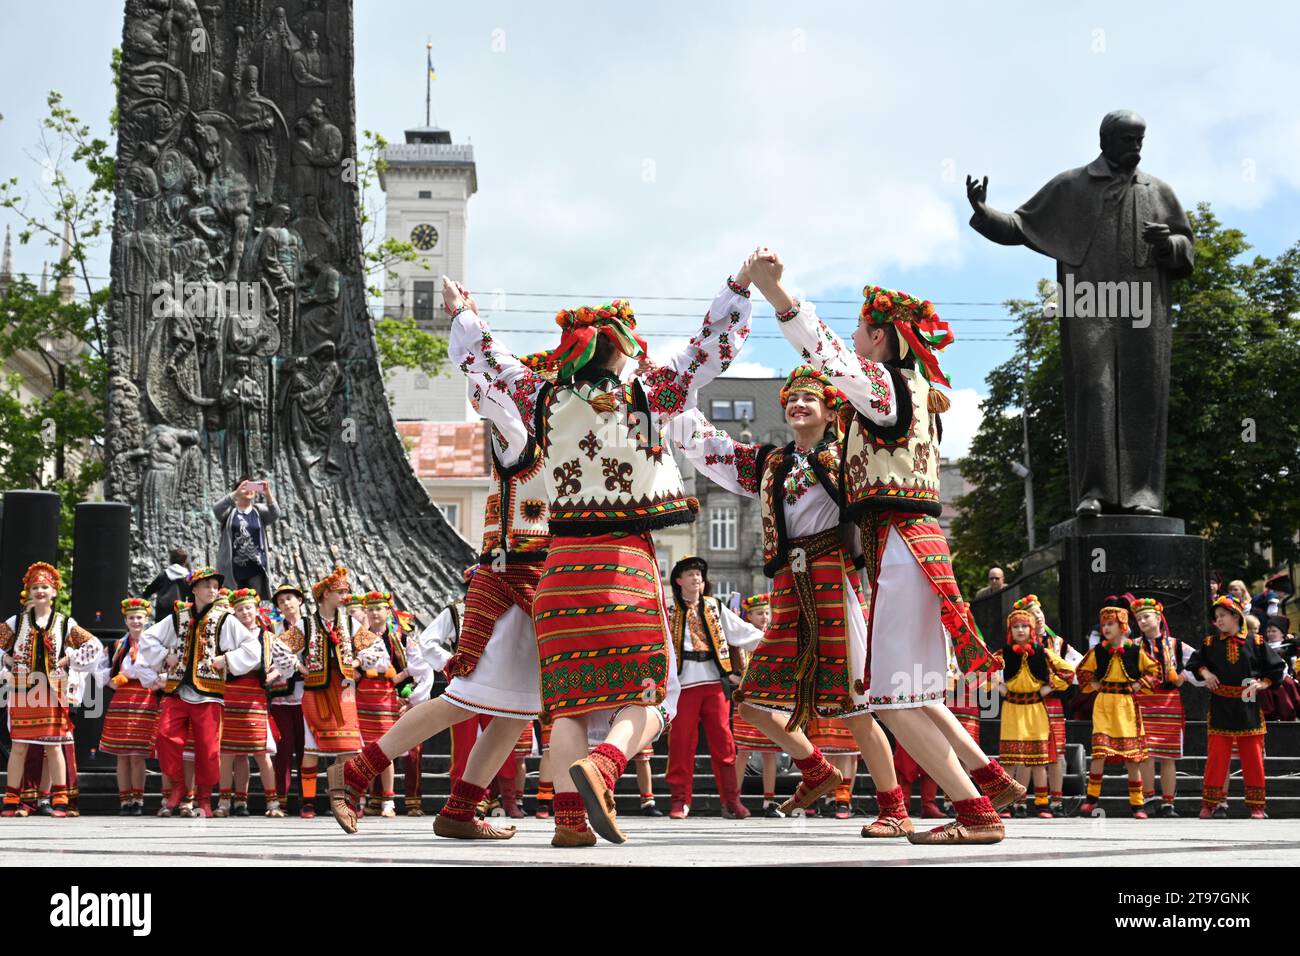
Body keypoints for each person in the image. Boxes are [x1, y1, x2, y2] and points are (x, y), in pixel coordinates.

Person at [430, 263, 754, 847]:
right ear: (624, 350)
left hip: (556, 577)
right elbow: (709, 349)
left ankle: (570, 824)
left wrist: (462, 311)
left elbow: (488, 360)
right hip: (622, 569)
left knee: (570, 706)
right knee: (648, 695)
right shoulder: (650, 393)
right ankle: (607, 765)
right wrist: (739, 286)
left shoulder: (539, 397)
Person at [758, 257, 1019, 843]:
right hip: (908, 547)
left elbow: (825, 351)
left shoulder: (886, 386)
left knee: (894, 696)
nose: (852, 339)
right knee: (913, 689)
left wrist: (776, 291)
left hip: (901, 547)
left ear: (879, 337)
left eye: (860, 330)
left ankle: (977, 812)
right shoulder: (915, 392)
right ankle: (988, 781)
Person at [675, 362, 911, 839]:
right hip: (787, 586)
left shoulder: (848, 457)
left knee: (856, 706)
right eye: (791, 400)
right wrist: (677, 396)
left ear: (830, 411)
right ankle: (817, 767)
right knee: (753, 702)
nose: (798, 405)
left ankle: (894, 808)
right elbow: (710, 448)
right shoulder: (771, 464)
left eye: (810, 400)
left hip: (832, 578)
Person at [137, 565, 259, 817]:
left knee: (208, 749)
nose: (212, 591)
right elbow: (148, 639)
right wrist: (165, 655)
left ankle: (204, 799)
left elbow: (251, 647)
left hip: (208, 693)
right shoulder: (178, 616)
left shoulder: (225, 619)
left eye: (215, 587)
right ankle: (179, 788)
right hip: (177, 689)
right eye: (207, 586)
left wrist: (227, 660)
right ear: (194, 589)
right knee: (165, 736)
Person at [0, 563, 104, 818]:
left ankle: (60, 799)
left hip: (52, 692)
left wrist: (68, 659)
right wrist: (6, 660)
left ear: (54, 591)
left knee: (53, 746)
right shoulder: (17, 621)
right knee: (19, 746)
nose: (40, 591)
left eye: (45, 587)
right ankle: (12, 799)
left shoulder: (64, 622)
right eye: (35, 587)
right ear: (29, 591)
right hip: (23, 690)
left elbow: (94, 645)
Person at [665, 555, 763, 819]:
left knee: (724, 743)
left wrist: (775, 642)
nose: (696, 578)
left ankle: (731, 801)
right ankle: (679, 800)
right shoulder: (669, 609)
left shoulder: (715, 607)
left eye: (699, 574)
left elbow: (744, 633)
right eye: (690, 574)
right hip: (683, 686)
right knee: (681, 744)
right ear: (678, 580)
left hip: (713, 684)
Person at [1187, 594, 1287, 819]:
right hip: (1221, 704)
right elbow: (1195, 663)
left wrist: (1262, 683)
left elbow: (1276, 669)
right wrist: (1206, 672)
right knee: (1217, 757)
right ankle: (1210, 804)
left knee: (1252, 757)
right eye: (1216, 617)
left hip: (1247, 703)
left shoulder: (1256, 642)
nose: (1219, 621)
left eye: (1223, 616)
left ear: (1236, 616)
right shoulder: (1210, 643)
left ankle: (1257, 806)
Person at [1075, 606, 1160, 818]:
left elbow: (1155, 669)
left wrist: (1141, 683)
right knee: (1099, 753)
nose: (1106, 628)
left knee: (1132, 758)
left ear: (1123, 626)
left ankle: (1137, 805)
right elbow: (1082, 670)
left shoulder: (1135, 650)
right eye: (1103, 624)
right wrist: (1093, 683)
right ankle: (1091, 800)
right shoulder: (1098, 651)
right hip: (1104, 704)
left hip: (1126, 705)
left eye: (1110, 623)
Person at [293, 566, 364, 818]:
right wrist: (298, 666)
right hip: (315, 690)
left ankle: (344, 798)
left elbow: (375, 648)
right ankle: (308, 802)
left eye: (346, 591)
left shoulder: (349, 622)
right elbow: (279, 649)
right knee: (311, 748)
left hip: (343, 690)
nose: (344, 596)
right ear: (325, 595)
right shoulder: (306, 623)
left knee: (349, 746)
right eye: (340, 591)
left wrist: (355, 663)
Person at [995, 609, 1074, 818]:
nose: (1020, 630)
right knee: (1009, 759)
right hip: (1012, 708)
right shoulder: (1003, 653)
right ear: (1010, 630)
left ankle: (1042, 803)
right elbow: (982, 671)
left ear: (1031, 629)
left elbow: (1068, 671)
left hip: (1036, 708)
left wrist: (1048, 688)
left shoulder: (1043, 651)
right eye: (1016, 626)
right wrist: (999, 687)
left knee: (1037, 759)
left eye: (1024, 626)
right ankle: (1007, 804)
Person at [215, 588, 282, 817]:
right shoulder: (226, 635)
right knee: (229, 751)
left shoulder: (267, 636)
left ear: (256, 609)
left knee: (260, 750)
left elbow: (284, 663)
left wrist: (270, 677)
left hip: (254, 694)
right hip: (230, 693)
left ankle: (272, 803)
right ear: (233, 612)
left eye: (248, 608)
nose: (245, 612)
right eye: (240, 609)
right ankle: (226, 802)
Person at [1012, 594, 1079, 815]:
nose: (1037, 617)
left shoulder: (1058, 643)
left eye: (1038, 612)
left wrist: (1052, 684)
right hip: (1027, 705)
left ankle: (1056, 802)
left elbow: (1077, 668)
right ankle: (1021, 802)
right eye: (1032, 615)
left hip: (1052, 704)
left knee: (1057, 753)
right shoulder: (1018, 645)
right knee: (1025, 754)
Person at [100, 597, 163, 814]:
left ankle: (138, 799)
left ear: (146, 620)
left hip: (145, 698)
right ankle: (124, 800)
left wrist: (156, 683)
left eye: (139, 617)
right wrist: (113, 682)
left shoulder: (154, 645)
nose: (135, 621)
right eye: (131, 618)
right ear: (125, 621)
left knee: (137, 754)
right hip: (122, 698)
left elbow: (162, 670)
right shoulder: (118, 645)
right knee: (122, 754)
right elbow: (103, 670)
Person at [1131, 597, 1187, 816]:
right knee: (1146, 754)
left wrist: (1181, 677)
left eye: (1146, 617)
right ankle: (1148, 798)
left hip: (1169, 702)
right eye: (1139, 619)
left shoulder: (1175, 644)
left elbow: (1194, 666)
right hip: (1143, 702)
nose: (1143, 622)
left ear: (1158, 618)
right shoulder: (1133, 645)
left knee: (1168, 756)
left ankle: (1168, 803)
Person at [353, 590, 405, 817]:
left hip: (386, 695)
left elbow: (413, 666)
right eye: (371, 609)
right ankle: (360, 800)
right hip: (364, 694)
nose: (375, 613)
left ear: (387, 612)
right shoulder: (359, 636)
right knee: (362, 749)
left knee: (386, 749)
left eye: (379, 609)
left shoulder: (397, 637)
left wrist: (400, 681)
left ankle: (388, 801)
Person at [732, 593, 784, 817]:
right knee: (743, 750)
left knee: (770, 752)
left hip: (769, 700)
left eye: (766, 613)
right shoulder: (740, 641)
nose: (764, 617)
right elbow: (731, 671)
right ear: (749, 616)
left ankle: (769, 802)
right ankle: (733, 799)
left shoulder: (773, 637)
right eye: (759, 613)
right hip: (746, 698)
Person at [266, 583, 309, 814]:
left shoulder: (310, 625)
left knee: (306, 750)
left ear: (299, 600)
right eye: (281, 602)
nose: (286, 604)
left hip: (306, 694)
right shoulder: (274, 629)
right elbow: (270, 659)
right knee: (282, 750)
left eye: (290, 598)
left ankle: (307, 799)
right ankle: (280, 800)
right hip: (282, 696)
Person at [213, 478, 280, 598]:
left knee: (253, 604)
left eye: (252, 487)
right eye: (245, 487)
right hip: (232, 569)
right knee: (233, 603)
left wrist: (267, 493)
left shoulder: (258, 511)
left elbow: (275, 513)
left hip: (256, 568)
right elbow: (216, 509)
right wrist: (235, 494)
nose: (249, 490)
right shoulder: (229, 512)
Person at [1259, 615, 1300, 721]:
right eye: (1268, 631)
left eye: (1274, 631)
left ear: (1282, 633)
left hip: (1286, 676)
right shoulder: (1263, 645)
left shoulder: (1289, 646)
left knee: (1287, 683)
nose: (1270, 634)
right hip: (1268, 676)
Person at [142, 547, 191, 621]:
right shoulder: (188, 576)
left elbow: (148, 591)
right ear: (184, 561)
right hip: (180, 612)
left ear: (171, 560)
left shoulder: (164, 574)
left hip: (162, 613)